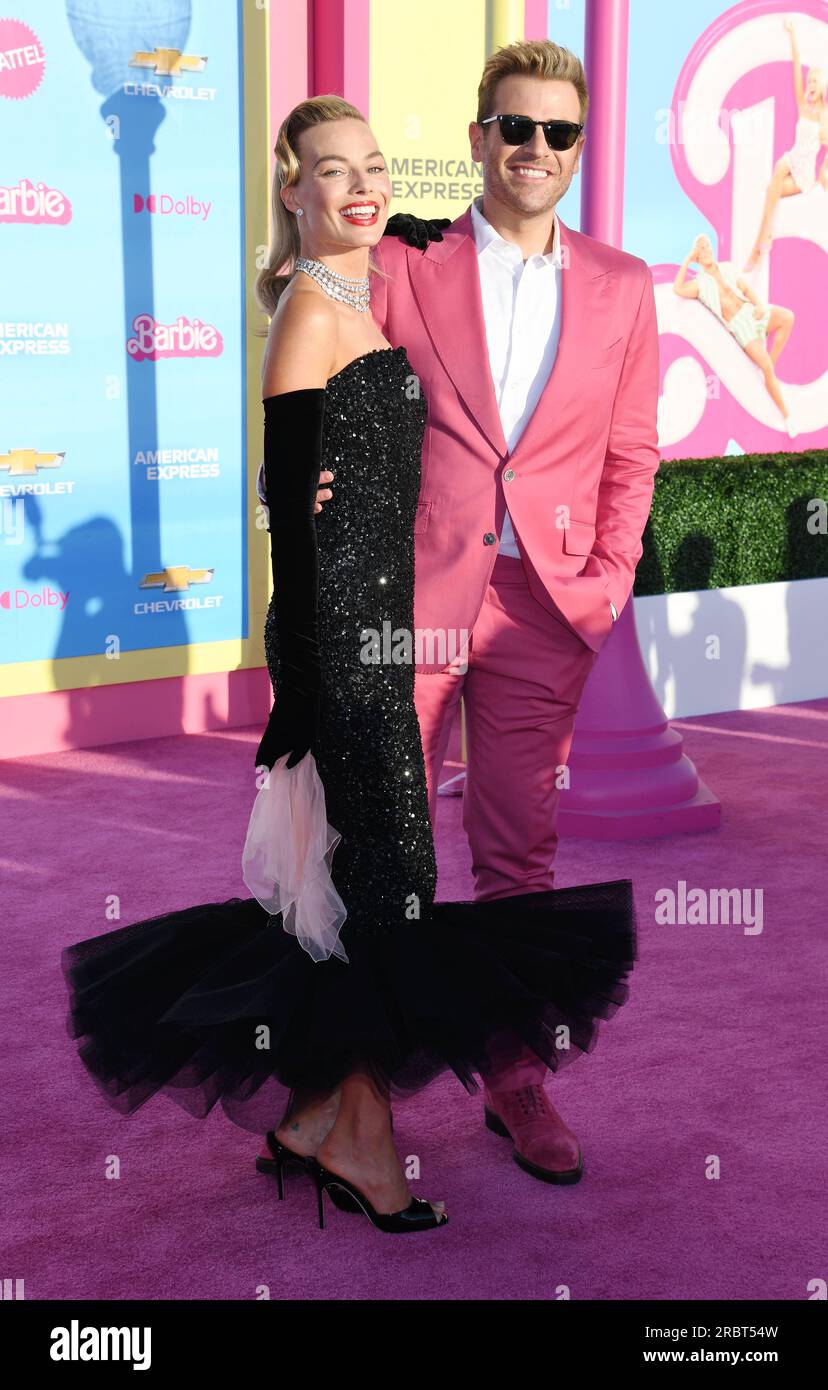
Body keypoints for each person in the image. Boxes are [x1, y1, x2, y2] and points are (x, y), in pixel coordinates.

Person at [60, 91, 637, 1236]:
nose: (364, 186)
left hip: (384, 632)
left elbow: (414, 238)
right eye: (332, 171)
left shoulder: (358, 293)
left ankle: (324, 1114)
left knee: (376, 894)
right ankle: (360, 1140)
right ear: (291, 191)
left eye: (375, 167)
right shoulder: (310, 319)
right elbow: (290, 513)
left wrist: (399, 210)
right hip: (354, 653)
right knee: (385, 892)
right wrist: (312, 687)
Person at [315, 39, 656, 1185]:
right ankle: (353, 1085)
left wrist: (603, 585)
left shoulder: (624, 285)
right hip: (414, 598)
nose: (536, 150)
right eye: (516, 128)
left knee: (520, 853)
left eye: (559, 133)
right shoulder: (409, 265)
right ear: (478, 139)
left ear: (577, 148)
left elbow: (633, 452)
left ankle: (516, 1080)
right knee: (381, 846)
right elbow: (327, 370)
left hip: (546, 605)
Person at [674, 233, 796, 434]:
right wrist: (688, 258)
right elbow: (678, 289)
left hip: (751, 311)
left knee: (787, 318)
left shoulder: (727, 268)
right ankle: (787, 416)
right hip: (740, 325)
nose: (707, 250)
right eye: (701, 248)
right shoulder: (700, 283)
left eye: (708, 246)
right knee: (764, 366)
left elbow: (746, 289)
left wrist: (759, 306)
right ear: (697, 256)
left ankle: (770, 370)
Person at [744, 18, 828, 272]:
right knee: (779, 168)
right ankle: (761, 244)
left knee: (772, 189)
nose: (810, 85)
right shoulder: (803, 106)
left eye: (815, 82)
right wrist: (793, 35)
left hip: (805, 174)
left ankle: (760, 246)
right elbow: (795, 69)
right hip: (790, 160)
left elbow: (824, 163)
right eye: (810, 81)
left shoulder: (825, 117)